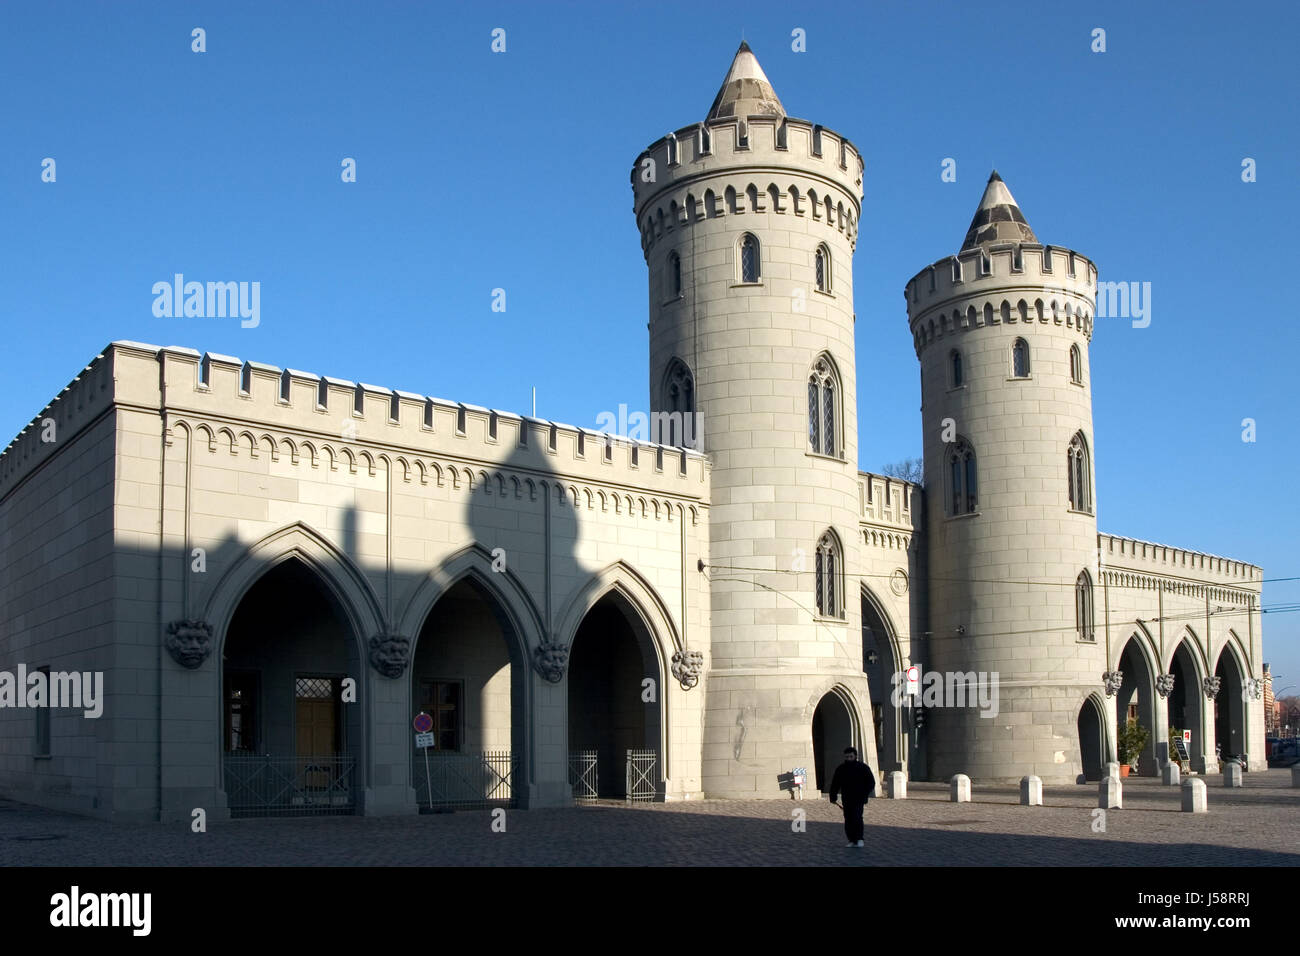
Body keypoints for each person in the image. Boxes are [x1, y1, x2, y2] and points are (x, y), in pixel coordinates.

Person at [828, 746, 876, 847]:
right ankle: (851, 840)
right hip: (847, 797)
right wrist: (833, 796)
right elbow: (835, 783)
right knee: (848, 819)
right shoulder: (841, 769)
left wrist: (865, 794)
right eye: (847, 757)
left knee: (857, 817)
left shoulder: (863, 767)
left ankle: (859, 839)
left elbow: (871, 782)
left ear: (855, 756)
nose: (849, 759)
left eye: (851, 756)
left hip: (859, 798)